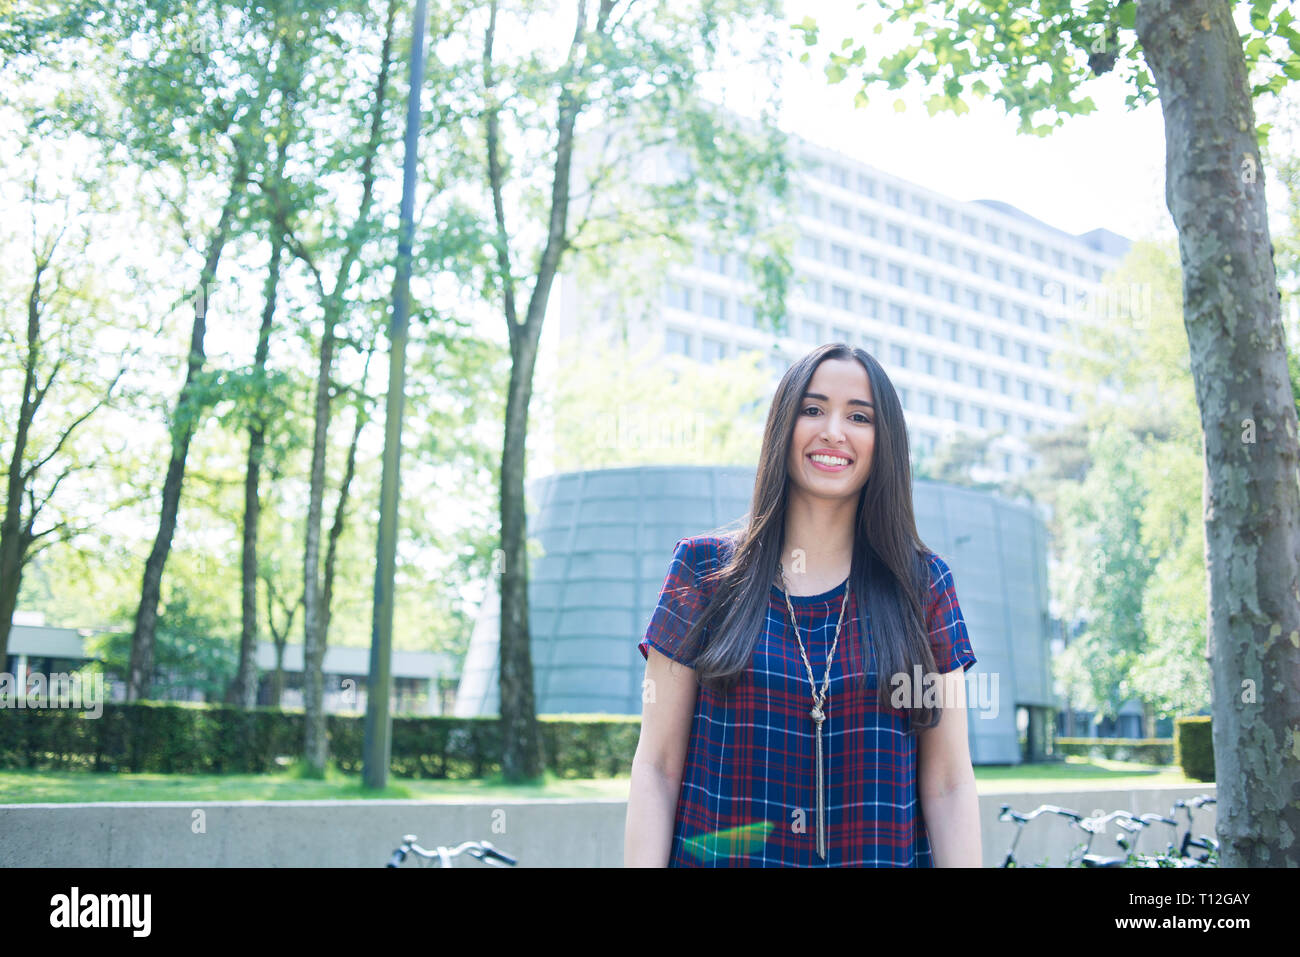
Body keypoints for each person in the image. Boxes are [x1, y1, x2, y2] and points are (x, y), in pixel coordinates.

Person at [624, 342, 981, 867]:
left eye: (859, 416)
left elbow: (950, 784)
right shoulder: (701, 572)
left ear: (885, 443)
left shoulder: (924, 587)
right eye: (812, 409)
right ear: (782, 428)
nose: (833, 430)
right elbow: (656, 767)